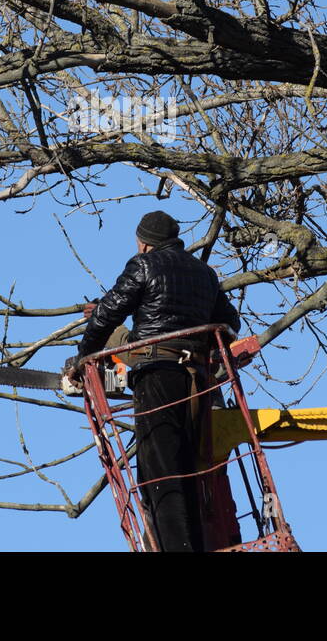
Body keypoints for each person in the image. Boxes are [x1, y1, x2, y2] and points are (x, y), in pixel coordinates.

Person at [67, 210, 240, 552]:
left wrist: (82, 359)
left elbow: (106, 315)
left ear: (144, 243)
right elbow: (230, 322)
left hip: (156, 376)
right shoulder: (205, 274)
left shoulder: (142, 265)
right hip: (196, 381)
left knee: (159, 472)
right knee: (188, 467)